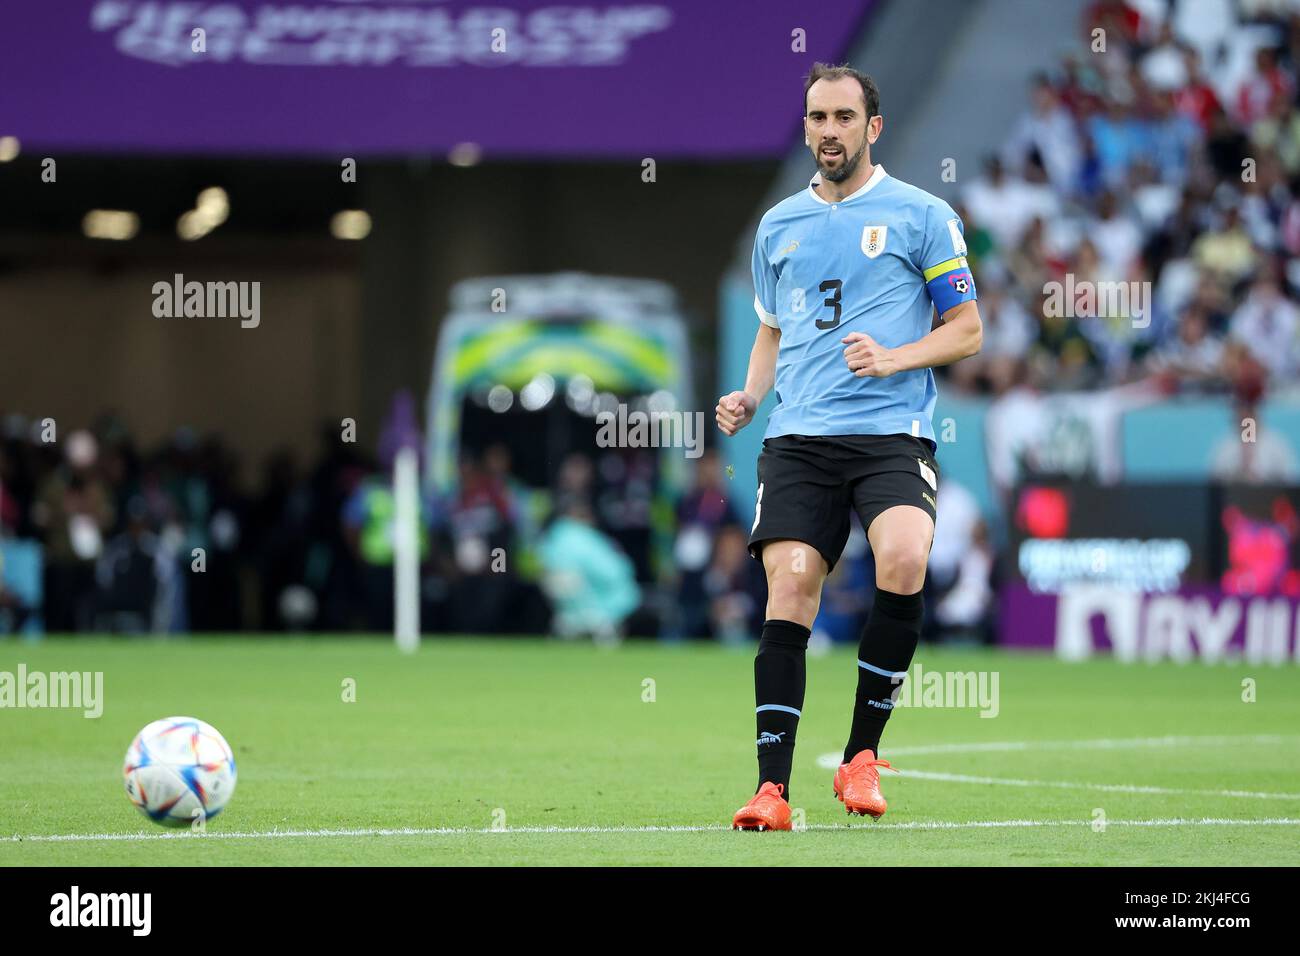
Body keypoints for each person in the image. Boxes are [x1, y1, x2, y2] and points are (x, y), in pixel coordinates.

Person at [716, 63, 982, 831]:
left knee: (903, 556)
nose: (828, 131)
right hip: (799, 437)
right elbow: (773, 327)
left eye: (843, 117)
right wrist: (750, 394)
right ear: (805, 128)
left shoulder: (922, 214)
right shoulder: (779, 225)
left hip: (891, 434)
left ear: (874, 127)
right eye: (816, 117)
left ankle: (862, 757)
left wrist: (894, 358)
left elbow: (967, 330)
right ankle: (771, 790)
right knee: (792, 587)